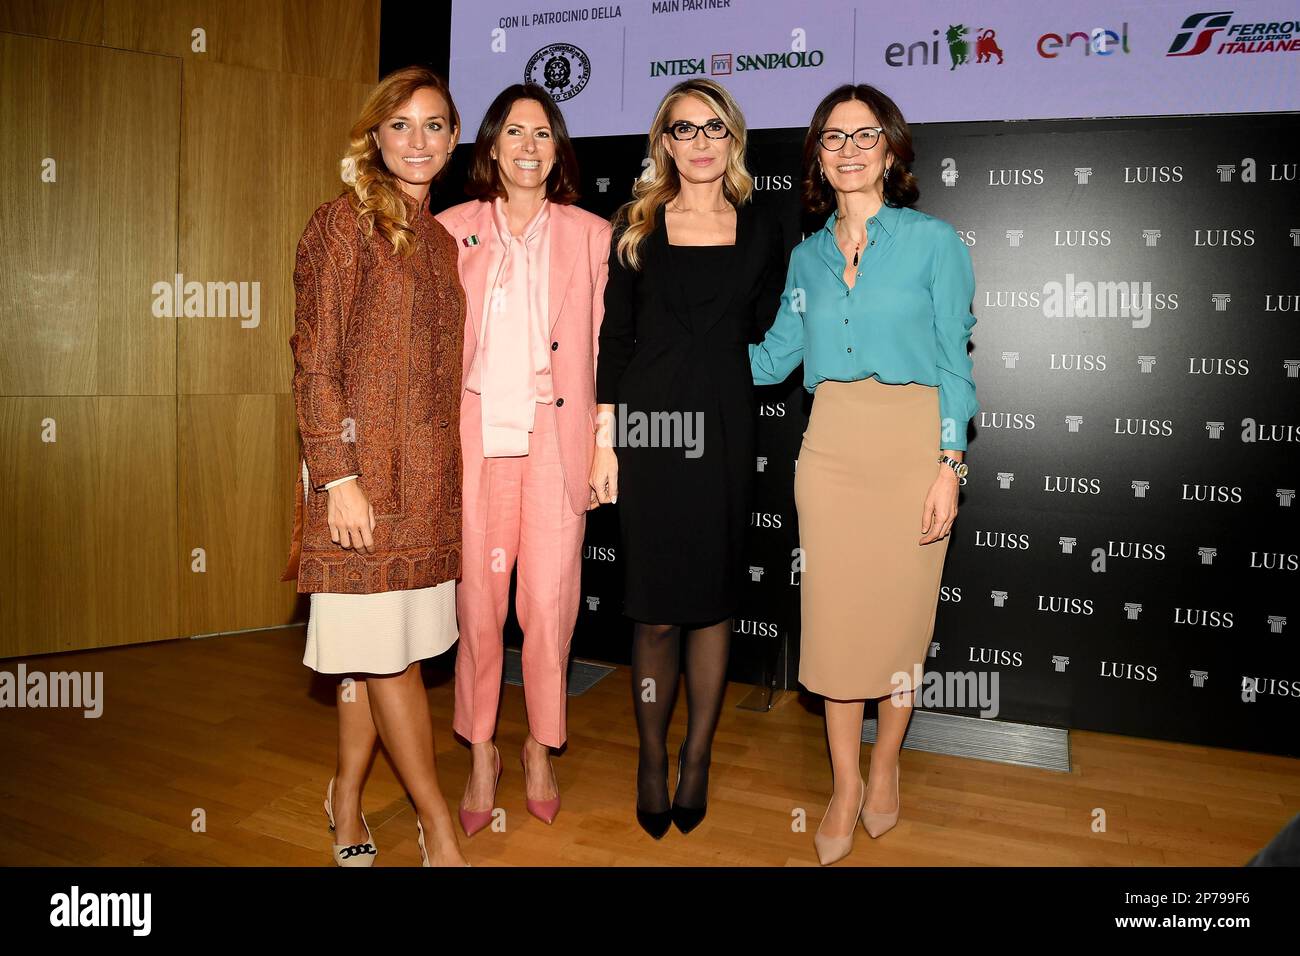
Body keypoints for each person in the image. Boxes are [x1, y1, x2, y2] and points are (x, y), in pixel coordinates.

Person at [749, 83, 978, 865]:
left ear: (891, 148)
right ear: (817, 155)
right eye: (832, 138)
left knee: (901, 624)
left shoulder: (934, 244)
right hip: (832, 449)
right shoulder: (806, 256)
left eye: (864, 135)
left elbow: (956, 363)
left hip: (913, 443)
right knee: (839, 626)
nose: (848, 150)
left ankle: (886, 766)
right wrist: (687, 352)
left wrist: (950, 464)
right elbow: (774, 356)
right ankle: (844, 783)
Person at [283, 65, 469, 866]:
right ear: (375, 136)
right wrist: (337, 477)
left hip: (424, 485)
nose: (417, 140)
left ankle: (348, 799)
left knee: (382, 655)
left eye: (434, 125)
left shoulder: (439, 241)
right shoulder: (339, 224)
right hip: (358, 483)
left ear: (455, 139)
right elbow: (314, 362)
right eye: (401, 125)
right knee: (382, 658)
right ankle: (438, 822)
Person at [591, 78, 786, 838]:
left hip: (726, 430)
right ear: (663, 142)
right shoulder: (635, 225)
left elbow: (775, 332)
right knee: (655, 614)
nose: (700, 142)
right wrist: (605, 437)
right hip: (649, 431)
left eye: (713, 128)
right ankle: (649, 757)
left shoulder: (765, 227)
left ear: (732, 138)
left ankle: (696, 758)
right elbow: (615, 339)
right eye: (683, 129)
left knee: (711, 607)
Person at [435, 84, 611, 835]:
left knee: (549, 603)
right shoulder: (449, 230)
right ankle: (481, 752)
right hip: (475, 432)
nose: (528, 147)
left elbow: (609, 353)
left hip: (555, 435)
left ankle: (540, 745)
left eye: (543, 134)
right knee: (478, 604)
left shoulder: (593, 236)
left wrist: (605, 441)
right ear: (491, 147)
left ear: (558, 151)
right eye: (514, 132)